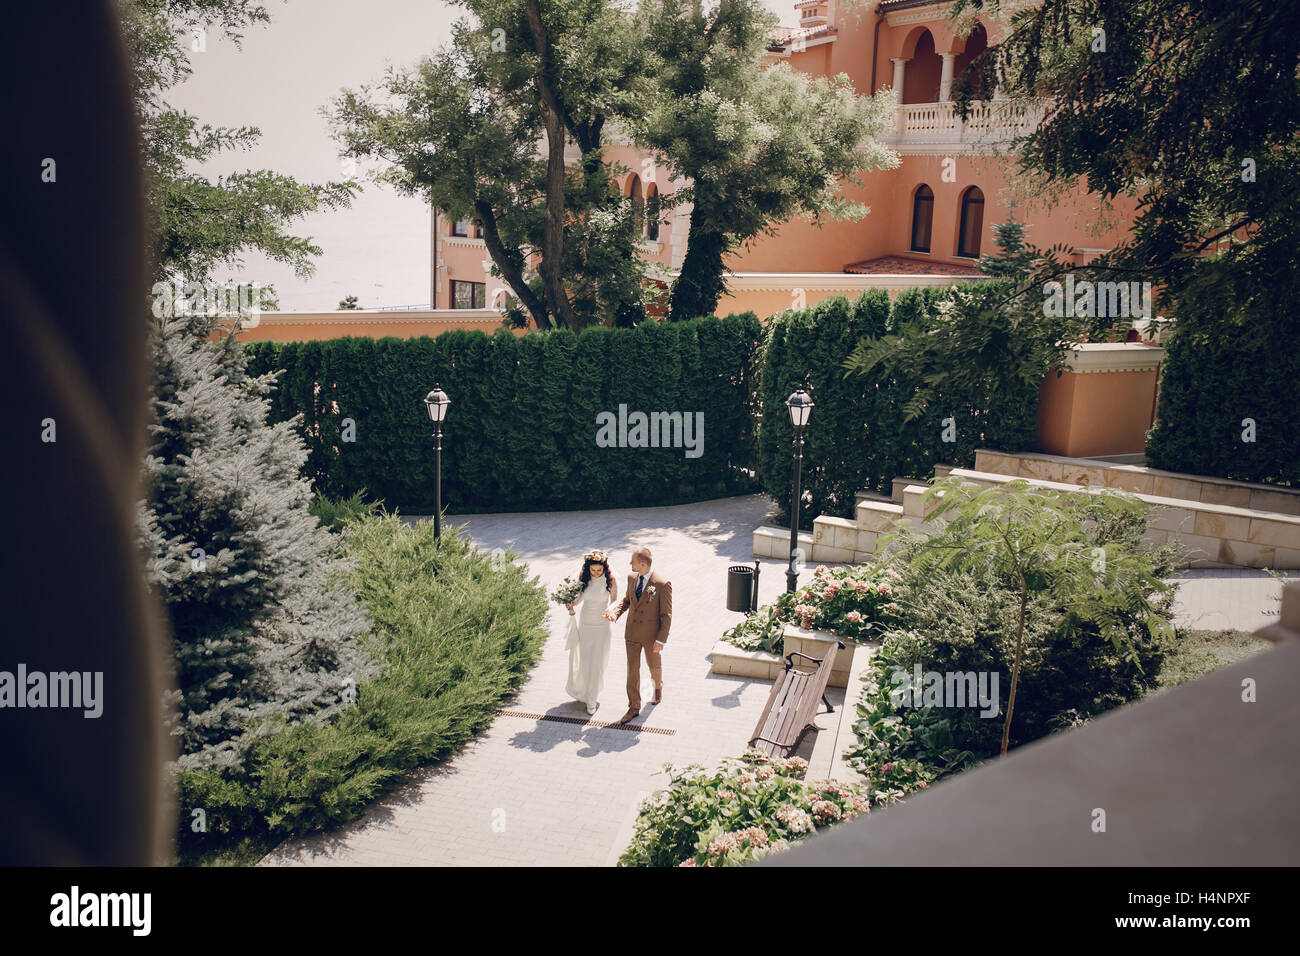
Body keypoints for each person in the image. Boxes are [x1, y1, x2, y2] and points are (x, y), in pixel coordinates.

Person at [606, 546, 672, 725]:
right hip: (632, 633)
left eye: (632, 561)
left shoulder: (662, 583)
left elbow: (666, 616)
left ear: (642, 564)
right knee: (632, 671)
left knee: (653, 666)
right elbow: (627, 601)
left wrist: (661, 640)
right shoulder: (631, 578)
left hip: (652, 636)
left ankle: (658, 687)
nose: (629, 564)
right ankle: (634, 706)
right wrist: (615, 613)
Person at [564, 550, 618, 716]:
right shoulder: (584, 579)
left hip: (601, 626)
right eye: (593, 570)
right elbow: (580, 598)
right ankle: (587, 692)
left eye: (598, 570)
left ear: (604, 568)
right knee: (586, 661)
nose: (595, 573)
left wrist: (610, 608)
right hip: (585, 624)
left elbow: (615, 599)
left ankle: (592, 699)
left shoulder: (611, 580)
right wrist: (571, 603)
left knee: (597, 662)